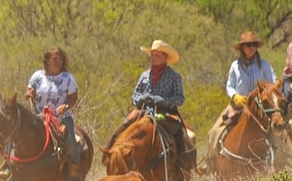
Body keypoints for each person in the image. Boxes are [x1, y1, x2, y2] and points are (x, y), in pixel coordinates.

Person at [112, 39, 193, 170]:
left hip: (167, 113)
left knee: (181, 136)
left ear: (165, 57)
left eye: (157, 55)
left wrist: (164, 101)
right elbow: (135, 95)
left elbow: (180, 98)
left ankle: (181, 168)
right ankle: (111, 154)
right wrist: (142, 99)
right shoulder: (144, 75)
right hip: (143, 111)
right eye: (152, 55)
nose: (153, 58)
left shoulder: (175, 77)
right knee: (123, 126)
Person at [206, 30, 276, 161]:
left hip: (260, 107)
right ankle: (211, 162)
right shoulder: (235, 66)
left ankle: (279, 162)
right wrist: (235, 96)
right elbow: (229, 86)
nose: (252, 48)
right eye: (248, 45)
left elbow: (273, 83)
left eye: (254, 45)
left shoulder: (264, 65)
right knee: (214, 132)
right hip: (238, 105)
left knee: (277, 130)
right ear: (243, 48)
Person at [24, 47, 81, 174]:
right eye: (54, 59)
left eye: (60, 59)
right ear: (47, 60)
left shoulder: (68, 78)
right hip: (39, 117)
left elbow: (73, 98)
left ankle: (75, 173)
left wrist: (66, 106)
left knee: (71, 142)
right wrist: (29, 94)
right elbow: (29, 91)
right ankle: (9, 166)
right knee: (19, 134)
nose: (58, 62)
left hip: (62, 118)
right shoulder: (37, 76)